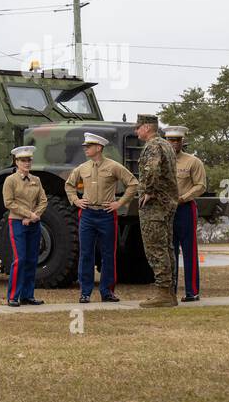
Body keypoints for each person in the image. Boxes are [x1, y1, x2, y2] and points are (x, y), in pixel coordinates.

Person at [65, 132, 137, 303]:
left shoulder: (113, 166)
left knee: (108, 254)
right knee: (86, 254)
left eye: (88, 147)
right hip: (87, 214)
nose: (85, 149)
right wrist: (76, 200)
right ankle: (85, 292)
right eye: (85, 147)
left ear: (99, 148)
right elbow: (69, 185)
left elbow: (133, 183)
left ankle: (107, 292)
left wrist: (119, 204)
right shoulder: (82, 168)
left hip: (106, 215)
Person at [133, 114, 180, 308]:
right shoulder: (166, 144)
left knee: (155, 248)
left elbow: (151, 170)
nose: (136, 131)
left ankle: (163, 293)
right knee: (167, 247)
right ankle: (168, 291)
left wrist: (149, 192)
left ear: (146, 127)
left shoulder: (153, 146)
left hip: (155, 206)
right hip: (167, 203)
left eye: (138, 127)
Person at [2, 146, 47, 306]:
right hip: (17, 222)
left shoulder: (36, 180)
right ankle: (13, 296)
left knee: (32, 259)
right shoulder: (11, 180)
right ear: (16, 162)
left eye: (29, 160)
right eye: (23, 160)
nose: (26, 163)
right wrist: (28, 215)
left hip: (34, 223)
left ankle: (28, 295)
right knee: (20, 259)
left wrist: (35, 216)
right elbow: (9, 203)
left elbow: (43, 201)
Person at [166, 126, 206, 302]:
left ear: (182, 141)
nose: (174, 143)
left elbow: (201, 186)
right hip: (166, 210)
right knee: (169, 252)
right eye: (170, 140)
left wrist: (184, 198)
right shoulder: (160, 162)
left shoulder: (193, 161)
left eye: (177, 140)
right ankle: (169, 292)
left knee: (189, 251)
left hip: (185, 209)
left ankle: (192, 292)